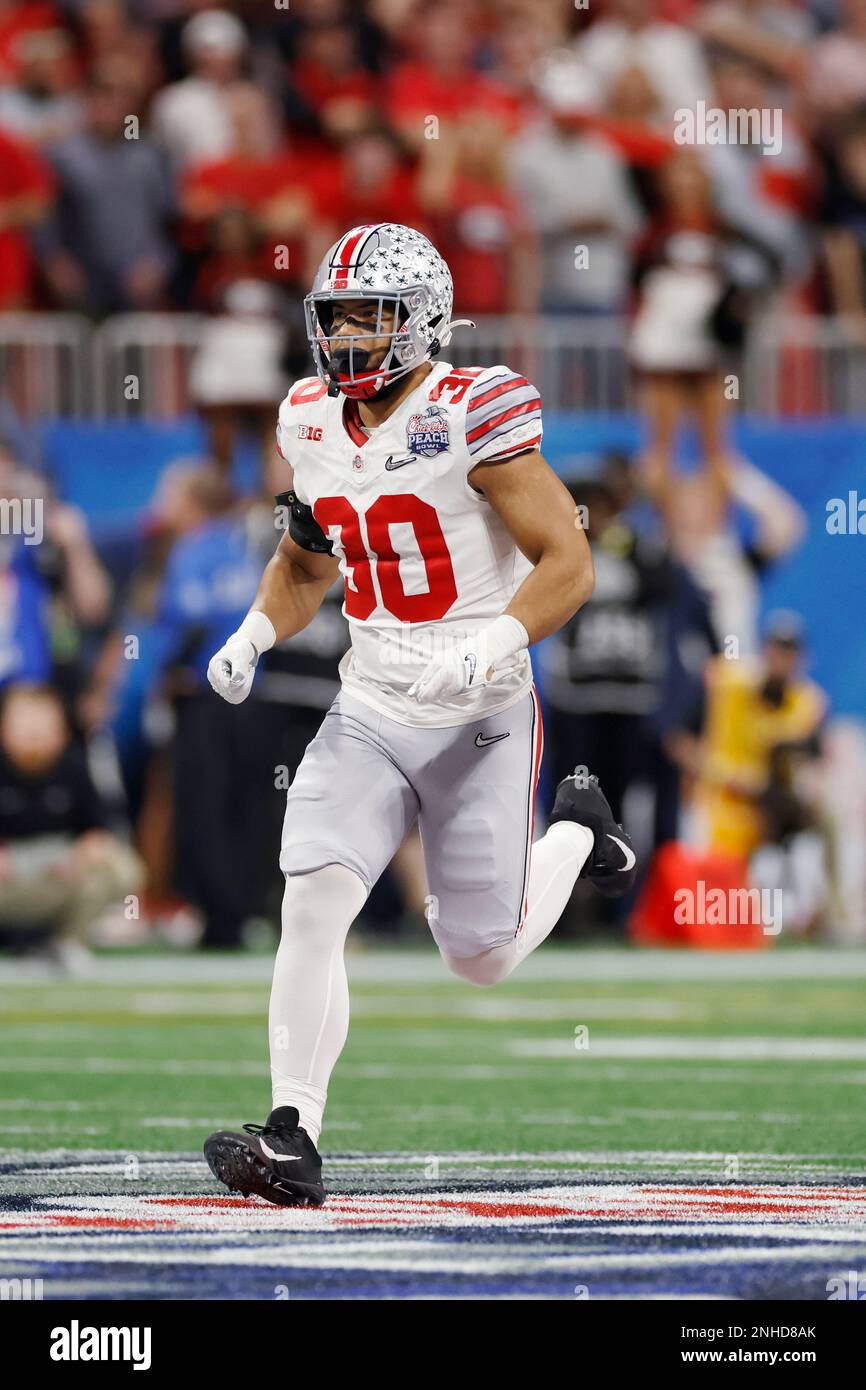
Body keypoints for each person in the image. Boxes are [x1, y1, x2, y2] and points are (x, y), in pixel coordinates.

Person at [201, 222, 637, 1207]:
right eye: (337, 315)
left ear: (423, 322)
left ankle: (575, 831)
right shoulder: (307, 418)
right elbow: (306, 565)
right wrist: (254, 634)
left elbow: (569, 563)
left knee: (476, 955)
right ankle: (293, 1132)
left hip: (478, 710)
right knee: (311, 896)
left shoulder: (471, 409)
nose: (349, 335)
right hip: (370, 701)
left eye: (372, 316)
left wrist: (491, 641)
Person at [0, 681, 143, 970]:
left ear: (61, 729)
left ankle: (66, 942)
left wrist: (82, 854)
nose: (35, 735)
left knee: (122, 867)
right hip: (8, 883)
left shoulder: (75, 766)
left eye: (43, 723)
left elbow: (99, 830)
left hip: (55, 875)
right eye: (25, 724)